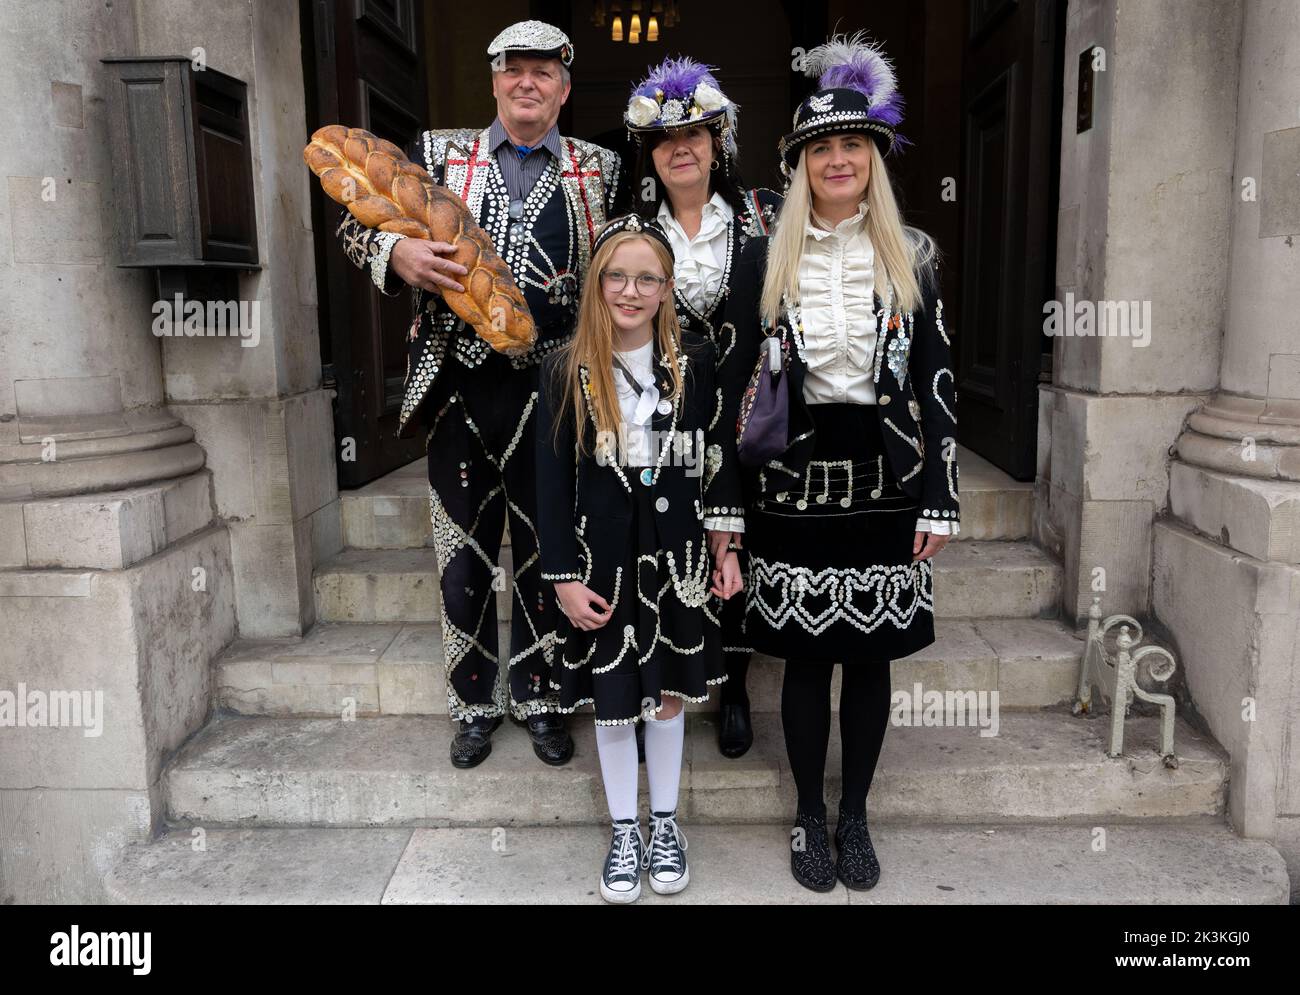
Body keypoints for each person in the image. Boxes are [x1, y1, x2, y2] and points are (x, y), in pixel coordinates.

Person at [335, 21, 620, 769]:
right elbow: (352, 226)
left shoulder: (602, 167)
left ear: (564, 86)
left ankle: (544, 696)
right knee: (461, 555)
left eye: (544, 72)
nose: (528, 83)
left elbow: (623, 266)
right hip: (458, 385)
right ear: (494, 80)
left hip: (554, 393)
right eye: (514, 70)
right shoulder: (437, 153)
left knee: (545, 549)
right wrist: (394, 250)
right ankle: (473, 702)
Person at [713, 33, 961, 892]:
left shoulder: (914, 256)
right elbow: (727, 389)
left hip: (885, 475)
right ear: (801, 164)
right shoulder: (762, 257)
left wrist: (941, 492)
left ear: (874, 156)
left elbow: (936, 376)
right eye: (822, 148)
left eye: (853, 144)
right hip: (791, 477)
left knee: (871, 656)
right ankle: (807, 818)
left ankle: (854, 814)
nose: (839, 159)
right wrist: (725, 512)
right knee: (807, 658)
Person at [534, 214, 743, 903]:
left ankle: (665, 823)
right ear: (597, 284)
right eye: (617, 276)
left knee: (669, 700)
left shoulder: (696, 363)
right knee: (615, 702)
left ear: (665, 287)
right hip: (603, 564)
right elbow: (550, 481)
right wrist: (562, 575)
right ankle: (625, 829)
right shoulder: (566, 368)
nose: (630, 290)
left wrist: (726, 543)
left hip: (678, 559)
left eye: (646, 277)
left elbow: (717, 460)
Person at [621, 57, 783, 759]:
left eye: (695, 134)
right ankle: (673, 671)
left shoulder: (764, 214)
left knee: (746, 544)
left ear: (719, 142)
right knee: (675, 545)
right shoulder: (629, 227)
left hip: (749, 415)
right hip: (665, 422)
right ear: (650, 154)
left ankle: (737, 685)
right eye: (665, 139)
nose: (680, 148)